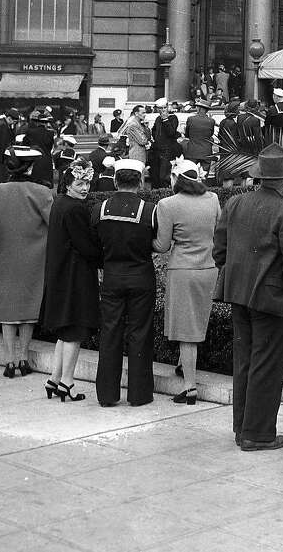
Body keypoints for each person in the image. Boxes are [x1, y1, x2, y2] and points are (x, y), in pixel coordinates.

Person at [215, 144, 283, 448]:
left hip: (238, 294)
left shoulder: (236, 204)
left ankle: (242, 427)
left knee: (245, 361)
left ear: (260, 176)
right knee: (267, 365)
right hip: (271, 299)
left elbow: (219, 250)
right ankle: (258, 434)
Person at [0, 146, 52, 377]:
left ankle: (9, 361)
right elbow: (54, 225)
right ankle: (23, 358)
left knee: (6, 312)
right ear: (30, 167)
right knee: (28, 309)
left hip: (1, 256)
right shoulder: (43, 192)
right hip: (34, 259)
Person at [90, 158, 159, 407]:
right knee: (140, 333)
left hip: (111, 276)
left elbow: (94, 243)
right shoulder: (150, 209)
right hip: (141, 276)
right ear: (139, 182)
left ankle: (107, 395)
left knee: (110, 333)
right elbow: (157, 242)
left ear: (116, 181)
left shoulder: (100, 208)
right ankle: (139, 395)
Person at [154, 158, 220, 406]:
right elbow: (218, 230)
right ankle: (184, 366)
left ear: (176, 179)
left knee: (186, 330)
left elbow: (162, 245)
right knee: (197, 322)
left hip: (183, 269)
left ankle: (190, 387)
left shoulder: (167, 204)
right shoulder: (212, 199)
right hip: (208, 268)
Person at [42, 167, 100, 402]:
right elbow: (86, 246)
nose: (85, 188)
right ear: (68, 184)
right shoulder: (76, 208)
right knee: (75, 330)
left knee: (65, 332)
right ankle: (67, 382)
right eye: (80, 184)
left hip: (61, 273)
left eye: (87, 183)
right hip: (75, 276)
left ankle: (54, 379)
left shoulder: (60, 203)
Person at [150, 99, 182, 189]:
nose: (160, 111)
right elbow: (154, 130)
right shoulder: (157, 118)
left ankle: (165, 192)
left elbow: (171, 132)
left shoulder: (173, 118)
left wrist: (165, 120)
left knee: (163, 176)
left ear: (165, 108)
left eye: (161, 109)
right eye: (159, 109)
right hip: (157, 150)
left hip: (167, 151)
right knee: (155, 176)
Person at [19, 111, 56, 189]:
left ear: (37, 123)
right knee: (46, 185)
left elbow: (25, 145)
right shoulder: (50, 133)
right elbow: (50, 147)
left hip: (34, 160)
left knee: (34, 185)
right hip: (46, 160)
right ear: (46, 123)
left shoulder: (30, 132)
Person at [182, 99, 216, 174]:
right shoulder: (211, 121)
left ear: (199, 108)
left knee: (190, 175)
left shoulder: (191, 119)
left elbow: (187, 135)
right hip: (206, 152)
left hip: (192, 151)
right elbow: (210, 134)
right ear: (206, 110)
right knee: (204, 175)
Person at [0, 108, 18, 185]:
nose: (13, 124)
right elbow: (1, 143)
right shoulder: (3, 125)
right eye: (14, 122)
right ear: (9, 118)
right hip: (0, 157)